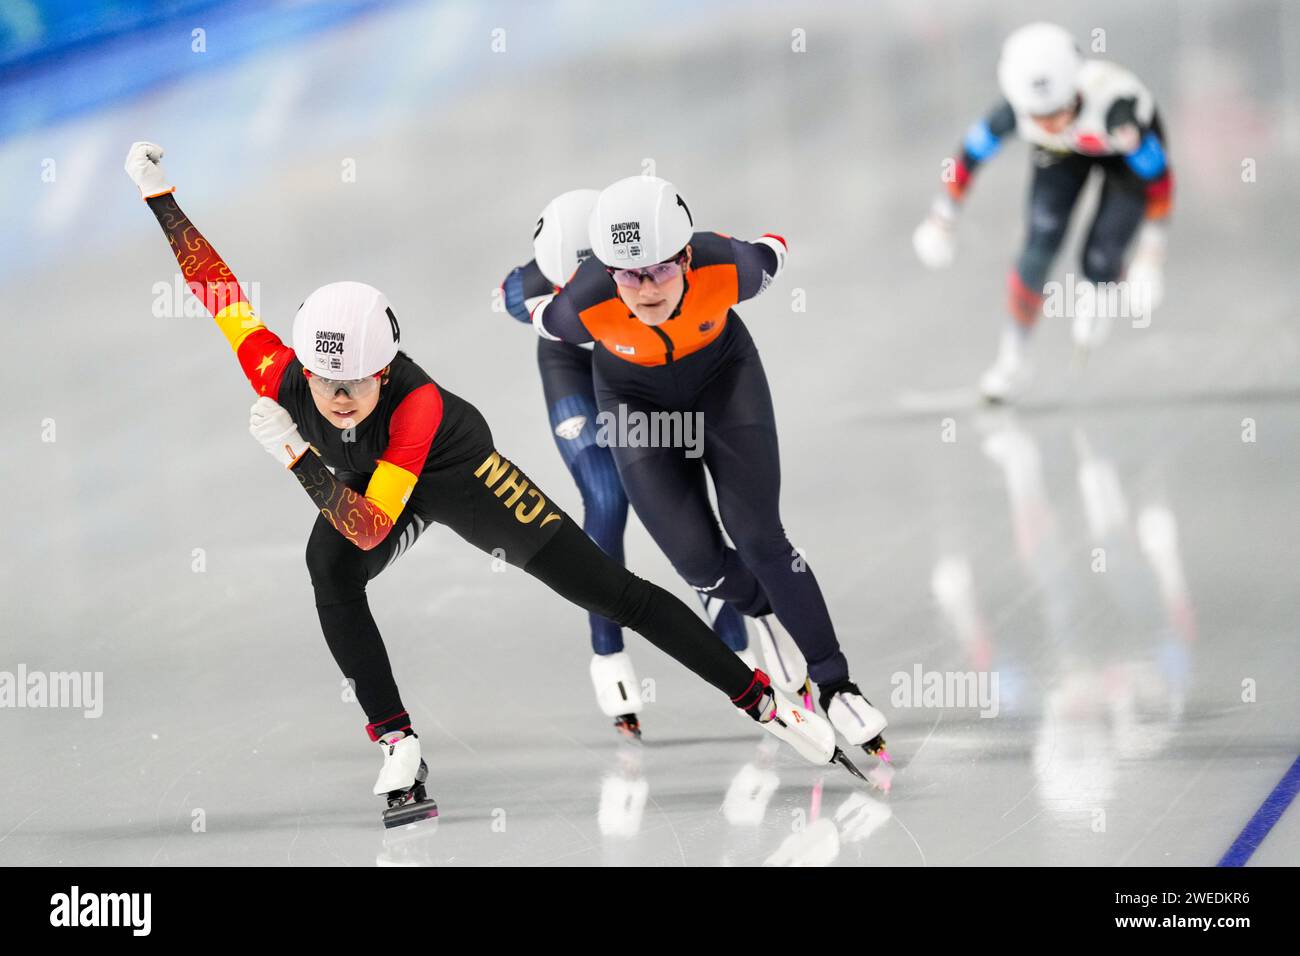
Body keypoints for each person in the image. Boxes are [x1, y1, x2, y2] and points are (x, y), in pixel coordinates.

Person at [123, 142, 862, 828]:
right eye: (324, 383)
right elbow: (215, 287)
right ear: (301, 370)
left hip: (452, 474)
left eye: (356, 383)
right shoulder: (274, 371)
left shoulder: (417, 406)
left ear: (384, 370)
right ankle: (397, 742)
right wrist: (162, 198)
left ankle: (761, 700)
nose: (339, 397)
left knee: (609, 591)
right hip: (365, 488)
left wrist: (298, 459)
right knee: (328, 570)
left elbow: (374, 525)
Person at [531, 174, 889, 759]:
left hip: (725, 383)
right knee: (697, 562)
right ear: (607, 268)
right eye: (629, 274)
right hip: (633, 404)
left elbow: (774, 245)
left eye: (662, 270)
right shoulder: (581, 304)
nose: (646, 290)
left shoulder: (731, 266)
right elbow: (537, 312)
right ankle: (765, 610)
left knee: (758, 537)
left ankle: (836, 683)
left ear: (687, 255)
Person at [501, 188, 753, 739]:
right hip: (574, 369)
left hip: (638, 368)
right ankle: (607, 653)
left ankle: (716, 591)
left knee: (678, 469)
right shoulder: (533, 288)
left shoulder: (640, 252)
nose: (586, 300)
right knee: (607, 496)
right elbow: (507, 296)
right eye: (571, 291)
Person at [912, 21, 1173, 402]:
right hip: (1061, 156)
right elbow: (966, 159)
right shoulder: (1016, 112)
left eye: (1056, 112)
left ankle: (1101, 283)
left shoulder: (1122, 117)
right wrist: (942, 217)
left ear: (1075, 92)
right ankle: (1013, 356)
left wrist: (1152, 255)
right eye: (1037, 117)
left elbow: (1159, 181)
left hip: (1123, 162)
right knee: (1039, 241)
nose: (1048, 123)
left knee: (1100, 256)